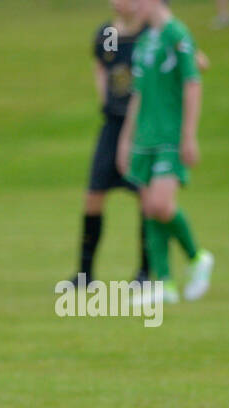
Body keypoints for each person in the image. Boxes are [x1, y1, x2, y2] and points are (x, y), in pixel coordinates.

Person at [117, 0, 214, 306]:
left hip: (170, 137)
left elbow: (192, 83)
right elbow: (139, 93)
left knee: (161, 204)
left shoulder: (176, 33)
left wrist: (188, 136)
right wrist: (125, 139)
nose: (133, 6)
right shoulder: (146, 40)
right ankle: (166, 284)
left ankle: (197, 257)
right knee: (149, 210)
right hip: (145, 137)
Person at [71, 0, 151, 287]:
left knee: (146, 197)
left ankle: (145, 273)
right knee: (94, 195)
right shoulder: (107, 33)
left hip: (143, 126)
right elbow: (101, 65)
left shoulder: (151, 33)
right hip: (113, 124)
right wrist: (105, 99)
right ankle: (84, 274)